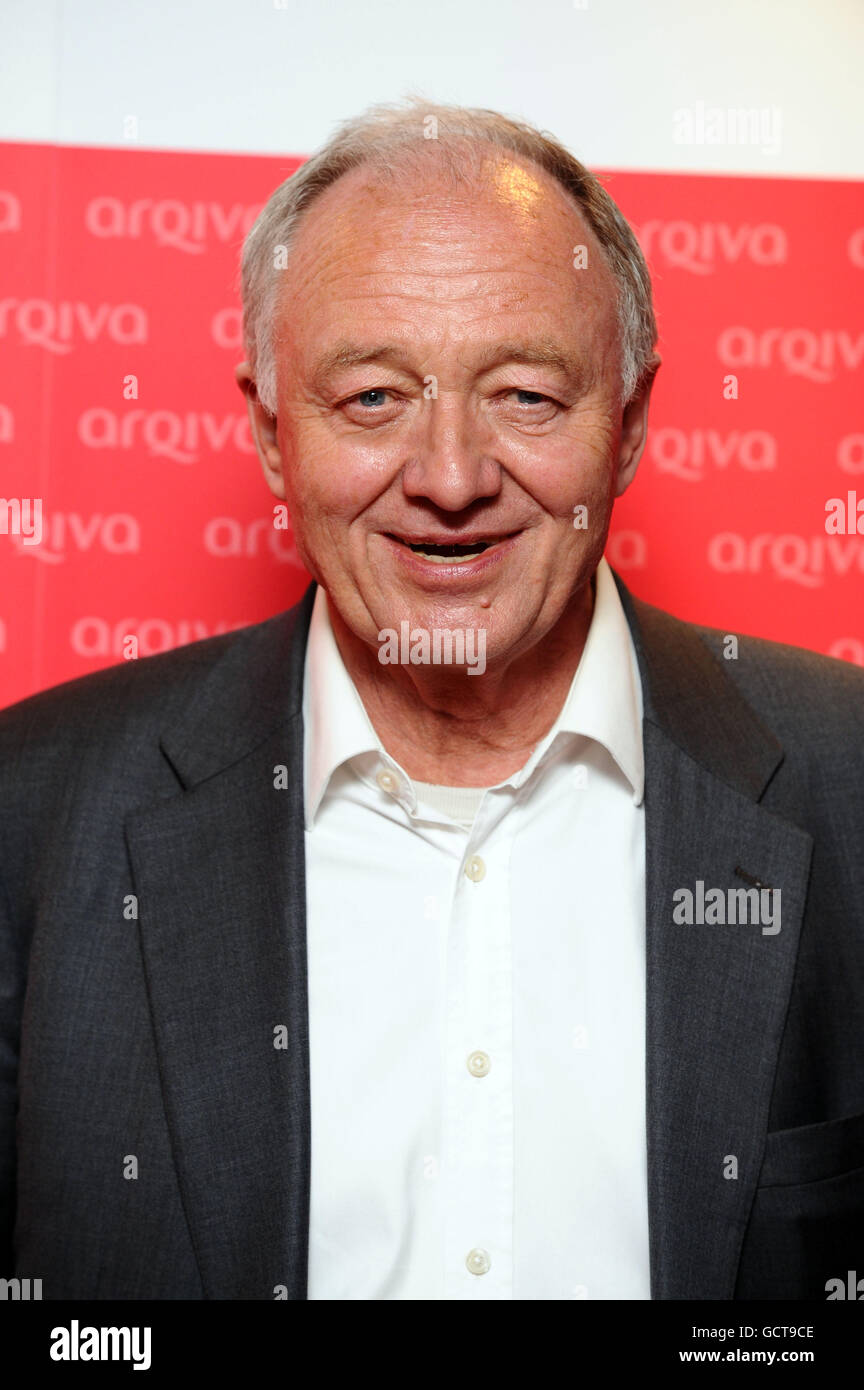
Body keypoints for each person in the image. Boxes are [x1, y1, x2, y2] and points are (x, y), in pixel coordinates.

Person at [1, 101, 862, 1301]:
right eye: (371, 400)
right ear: (268, 435)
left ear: (629, 425)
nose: (450, 480)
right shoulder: (29, 816)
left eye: (524, 396)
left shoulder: (849, 777)